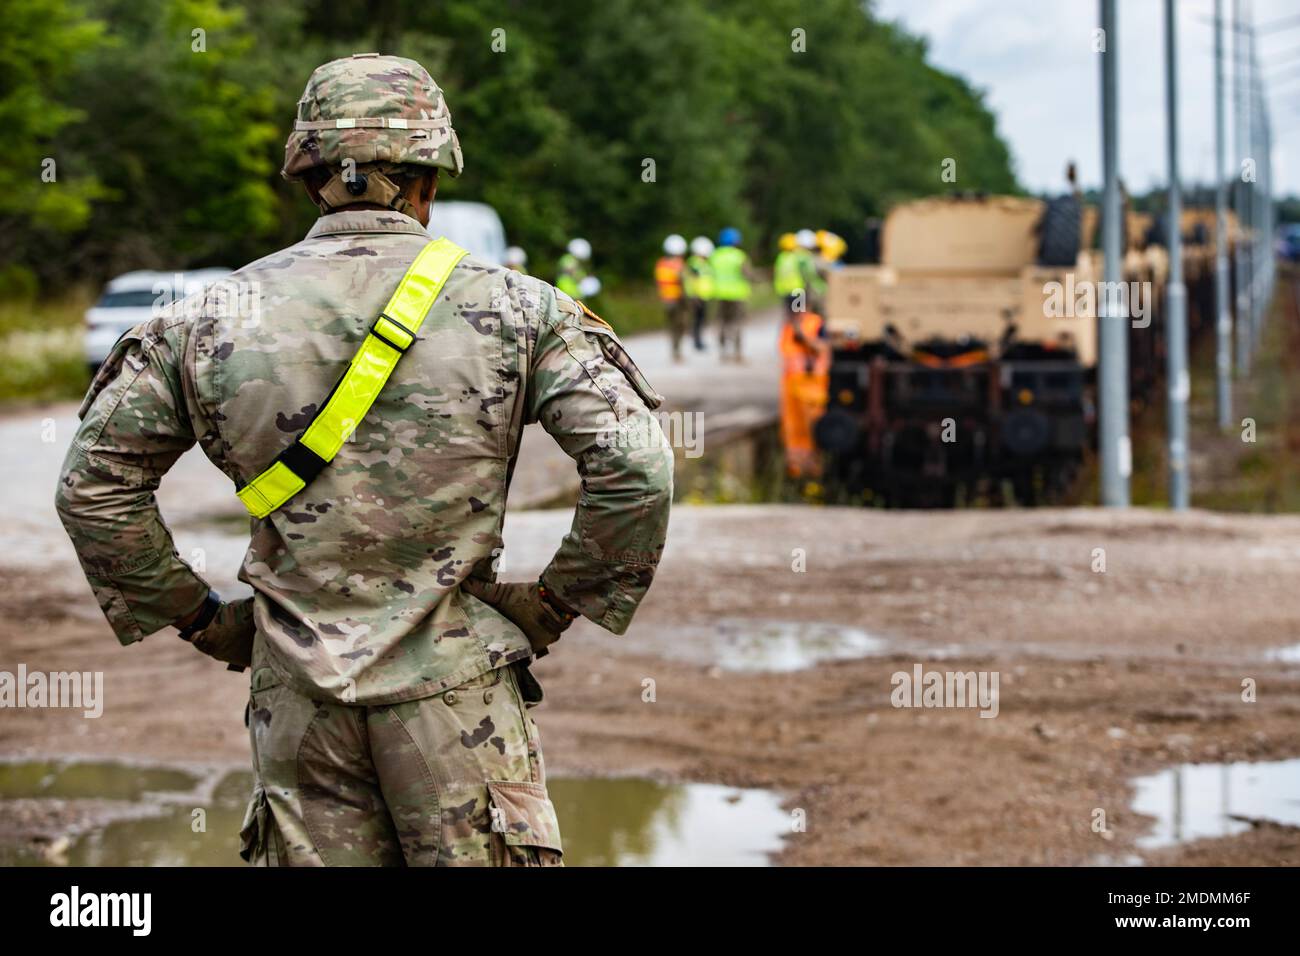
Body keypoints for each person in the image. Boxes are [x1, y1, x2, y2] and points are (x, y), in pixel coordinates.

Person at [54, 53, 673, 867]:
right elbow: (637, 466)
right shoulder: (520, 307)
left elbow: (93, 486)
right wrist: (558, 603)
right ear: (431, 177)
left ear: (310, 178)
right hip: (459, 699)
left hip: (298, 703)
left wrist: (202, 619)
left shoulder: (205, 316)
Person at [709, 227, 754, 362]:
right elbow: (748, 275)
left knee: (722, 322)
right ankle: (738, 353)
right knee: (737, 323)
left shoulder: (714, 256)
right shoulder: (739, 256)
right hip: (737, 295)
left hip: (719, 294)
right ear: (736, 241)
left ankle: (723, 352)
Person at [655, 234, 689, 361]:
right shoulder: (679, 264)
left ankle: (674, 351)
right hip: (678, 300)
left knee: (672, 326)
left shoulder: (661, 264)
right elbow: (683, 284)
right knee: (680, 325)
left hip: (666, 300)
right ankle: (677, 352)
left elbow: (658, 283)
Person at [684, 235, 714, 351]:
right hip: (697, 297)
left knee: (701, 319)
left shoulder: (702, 263)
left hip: (703, 296)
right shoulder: (695, 263)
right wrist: (694, 295)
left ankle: (699, 340)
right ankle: (697, 342)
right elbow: (692, 280)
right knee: (697, 320)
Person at [773, 232, 805, 316]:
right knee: (798, 315)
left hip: (784, 290)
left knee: (789, 314)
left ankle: (790, 328)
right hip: (797, 290)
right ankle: (798, 329)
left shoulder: (780, 258)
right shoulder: (798, 256)